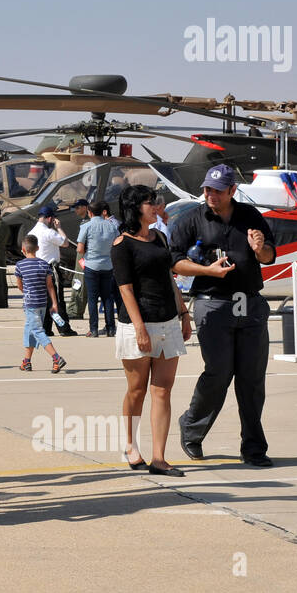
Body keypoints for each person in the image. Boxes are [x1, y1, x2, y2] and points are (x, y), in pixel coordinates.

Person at [171, 165, 277, 467]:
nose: (210, 195)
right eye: (207, 189)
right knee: (218, 373)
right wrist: (207, 271)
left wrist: (260, 250)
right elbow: (175, 261)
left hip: (251, 305)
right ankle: (191, 427)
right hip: (212, 304)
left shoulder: (251, 217)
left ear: (232, 191)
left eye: (217, 190)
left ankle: (254, 448)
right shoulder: (192, 218)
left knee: (252, 379)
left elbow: (269, 254)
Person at [112, 185, 191, 476]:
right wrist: (139, 327)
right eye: (149, 202)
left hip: (168, 319)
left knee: (163, 390)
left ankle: (159, 457)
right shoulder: (122, 244)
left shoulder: (159, 237)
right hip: (138, 324)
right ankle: (131, 445)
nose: (155, 206)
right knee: (137, 389)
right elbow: (125, 289)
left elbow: (170, 278)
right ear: (135, 208)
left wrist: (183, 313)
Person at [16, 234, 66, 373]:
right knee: (29, 330)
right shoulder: (44, 264)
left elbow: (20, 286)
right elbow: (50, 286)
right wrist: (54, 303)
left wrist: (27, 293)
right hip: (42, 303)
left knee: (37, 331)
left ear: (23, 249)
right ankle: (27, 361)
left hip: (30, 303)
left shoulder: (20, 265)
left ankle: (56, 357)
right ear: (37, 248)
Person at [28, 204, 77, 337]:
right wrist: (59, 228)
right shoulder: (49, 232)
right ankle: (64, 328)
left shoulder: (31, 233)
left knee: (44, 300)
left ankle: (45, 328)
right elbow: (65, 242)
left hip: (36, 268)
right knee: (57, 299)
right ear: (50, 219)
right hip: (50, 268)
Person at [77, 199, 120, 337]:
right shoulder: (112, 226)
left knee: (92, 298)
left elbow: (80, 249)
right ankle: (111, 328)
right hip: (108, 265)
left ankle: (94, 329)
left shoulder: (86, 226)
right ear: (103, 212)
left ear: (89, 212)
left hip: (91, 265)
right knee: (108, 298)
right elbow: (117, 244)